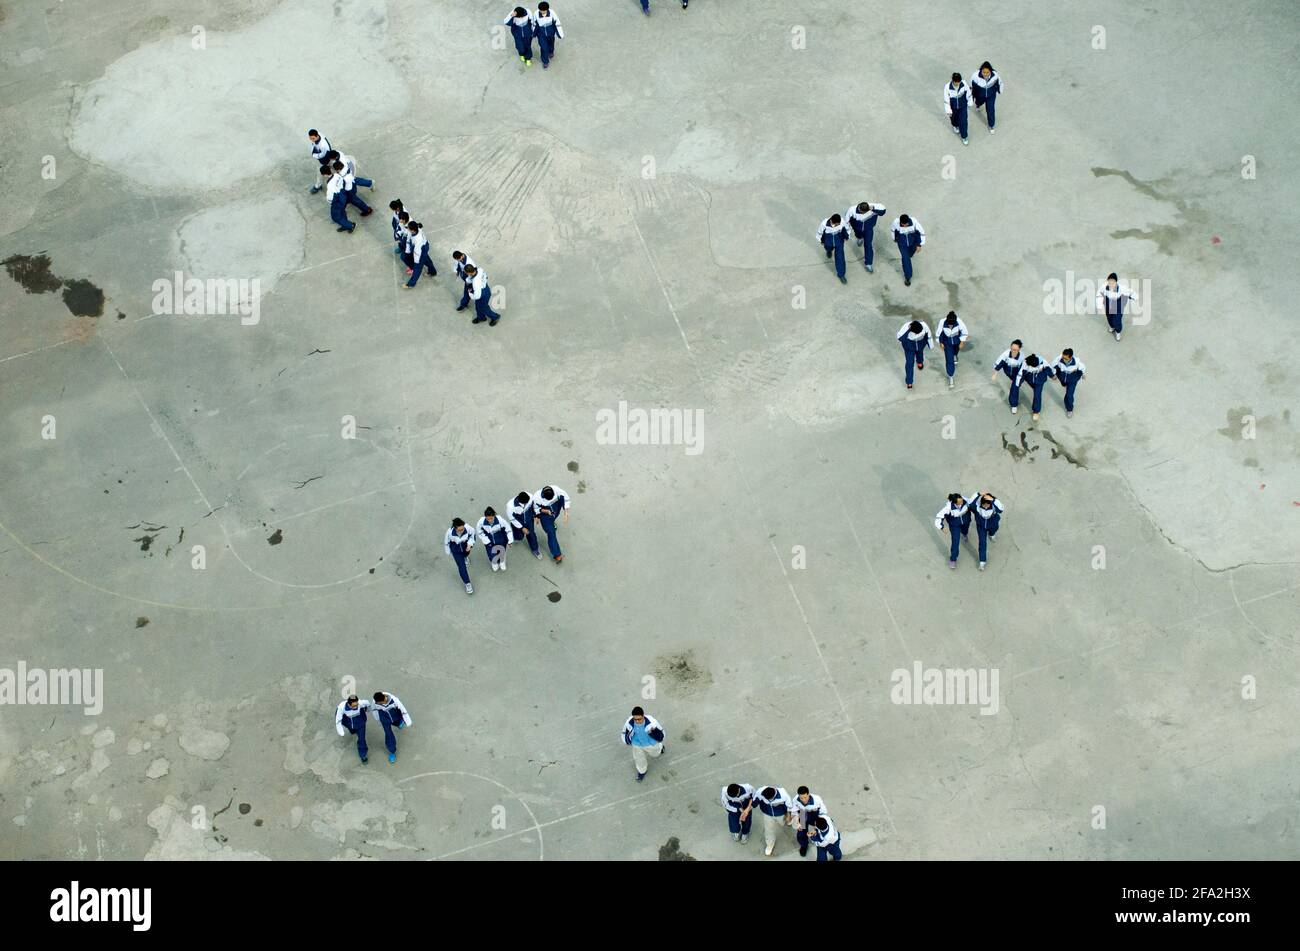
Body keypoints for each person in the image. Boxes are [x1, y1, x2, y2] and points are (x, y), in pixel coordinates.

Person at [620, 706, 665, 781]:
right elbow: (624, 732)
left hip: (650, 743)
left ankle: (660, 747)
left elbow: (661, 731)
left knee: (656, 754)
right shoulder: (629, 723)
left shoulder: (652, 723)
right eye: (635, 719)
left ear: (643, 716)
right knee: (639, 758)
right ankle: (642, 771)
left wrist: (659, 738)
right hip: (637, 744)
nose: (637, 721)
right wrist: (627, 741)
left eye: (639, 719)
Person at [965, 490, 1004, 570]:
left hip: (993, 524)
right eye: (984, 505)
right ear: (981, 503)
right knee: (982, 542)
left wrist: (993, 500)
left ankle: (991, 534)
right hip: (981, 527)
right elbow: (970, 503)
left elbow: (1001, 509)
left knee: (994, 530)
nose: (986, 506)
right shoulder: (977, 507)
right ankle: (982, 562)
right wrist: (978, 494)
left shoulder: (994, 506)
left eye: (987, 505)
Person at [752, 785, 794, 856]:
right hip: (767, 813)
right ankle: (770, 844)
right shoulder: (760, 792)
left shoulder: (783, 794)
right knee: (768, 829)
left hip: (780, 814)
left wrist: (788, 816)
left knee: (784, 822)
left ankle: (789, 821)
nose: (769, 801)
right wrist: (746, 812)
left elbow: (789, 806)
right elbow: (754, 803)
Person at [846, 200, 887, 272]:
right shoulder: (852, 209)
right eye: (860, 211)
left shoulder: (874, 207)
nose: (862, 213)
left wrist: (873, 208)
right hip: (857, 228)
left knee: (868, 245)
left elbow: (883, 210)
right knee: (858, 235)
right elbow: (847, 220)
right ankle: (859, 238)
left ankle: (868, 263)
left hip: (868, 229)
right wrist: (848, 231)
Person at [371, 691, 411, 764]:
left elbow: (403, 709)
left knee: (398, 722)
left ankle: (399, 722)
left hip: (395, 716)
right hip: (385, 719)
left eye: (379, 703)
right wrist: (378, 719)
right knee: (388, 734)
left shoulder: (394, 700)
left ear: (384, 700)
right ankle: (392, 751)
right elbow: (374, 710)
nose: (377, 704)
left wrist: (407, 721)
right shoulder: (375, 702)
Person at [934, 492, 972, 569]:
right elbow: (938, 517)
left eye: (961, 500)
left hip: (966, 521)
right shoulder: (948, 508)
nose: (962, 502)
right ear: (955, 503)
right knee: (955, 541)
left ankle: (964, 534)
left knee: (965, 530)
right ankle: (953, 559)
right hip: (955, 525)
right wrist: (941, 527)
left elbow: (973, 504)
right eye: (960, 502)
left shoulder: (965, 500)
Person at [533, 485, 570, 563]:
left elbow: (566, 499)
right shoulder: (536, 497)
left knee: (553, 520)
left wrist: (566, 512)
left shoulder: (557, 490)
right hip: (545, 516)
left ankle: (552, 523)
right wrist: (540, 515)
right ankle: (557, 555)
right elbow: (536, 509)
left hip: (556, 510)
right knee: (551, 534)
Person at [1097, 273, 1136, 342]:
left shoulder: (1121, 288)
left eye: (1112, 282)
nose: (1110, 284)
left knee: (1117, 320)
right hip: (1108, 303)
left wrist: (1135, 297)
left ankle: (1118, 332)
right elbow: (1099, 293)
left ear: (1116, 282)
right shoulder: (1104, 286)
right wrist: (1099, 305)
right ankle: (1112, 327)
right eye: (1109, 282)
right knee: (1109, 317)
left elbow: (1130, 292)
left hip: (1118, 305)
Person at [1015, 353, 1055, 420]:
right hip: (1030, 379)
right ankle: (1034, 388)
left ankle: (1036, 411)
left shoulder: (1043, 362)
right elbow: (1020, 374)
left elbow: (1049, 368)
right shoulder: (1025, 363)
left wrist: (1052, 376)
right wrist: (1018, 383)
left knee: (1037, 395)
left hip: (1040, 381)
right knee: (1035, 389)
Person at [991, 339, 1026, 414]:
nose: (1013, 351)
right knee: (1014, 384)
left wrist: (1019, 379)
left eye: (1015, 350)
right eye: (1012, 348)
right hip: (1008, 372)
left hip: (1017, 373)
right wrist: (995, 374)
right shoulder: (1006, 354)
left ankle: (1014, 405)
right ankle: (1015, 384)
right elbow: (1000, 363)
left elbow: (1023, 369)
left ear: (1019, 349)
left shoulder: (1022, 357)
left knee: (1014, 388)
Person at [896, 319, 934, 389]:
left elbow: (929, 336)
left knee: (920, 353)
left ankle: (920, 362)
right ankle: (909, 381)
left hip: (920, 343)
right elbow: (900, 338)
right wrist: (908, 331)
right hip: (909, 347)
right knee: (909, 363)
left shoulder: (924, 325)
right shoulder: (904, 328)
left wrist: (931, 345)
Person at [791, 786, 827, 858]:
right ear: (798, 795)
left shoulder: (817, 799)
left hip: (815, 815)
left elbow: (823, 812)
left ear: (808, 794)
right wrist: (797, 822)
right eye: (801, 798)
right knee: (801, 833)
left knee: (819, 831)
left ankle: (821, 842)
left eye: (805, 797)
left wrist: (816, 826)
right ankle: (804, 846)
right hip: (802, 814)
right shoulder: (795, 799)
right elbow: (794, 811)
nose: (803, 800)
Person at [890, 214, 925, 286]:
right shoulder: (896, 223)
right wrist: (894, 238)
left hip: (913, 243)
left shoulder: (914, 223)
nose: (906, 225)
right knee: (906, 259)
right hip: (902, 245)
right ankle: (908, 277)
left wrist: (919, 245)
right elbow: (893, 230)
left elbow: (922, 233)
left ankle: (908, 256)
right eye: (904, 224)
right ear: (900, 222)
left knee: (909, 255)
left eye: (907, 224)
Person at [334, 695, 371, 764]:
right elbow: (338, 720)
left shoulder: (361, 703)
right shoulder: (341, 708)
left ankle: (363, 754)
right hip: (349, 724)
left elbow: (368, 704)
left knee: (361, 739)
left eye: (357, 705)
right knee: (353, 731)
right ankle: (354, 731)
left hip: (361, 724)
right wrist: (341, 732)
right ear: (348, 704)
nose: (356, 707)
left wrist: (368, 709)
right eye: (354, 706)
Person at [816, 213, 850, 284]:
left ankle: (841, 274)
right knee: (828, 248)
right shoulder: (824, 224)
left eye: (839, 224)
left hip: (839, 241)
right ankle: (829, 251)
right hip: (828, 241)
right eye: (837, 224)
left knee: (840, 257)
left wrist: (847, 236)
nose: (838, 225)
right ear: (831, 221)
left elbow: (846, 229)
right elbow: (819, 233)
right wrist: (821, 241)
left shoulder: (842, 222)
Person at [444, 517, 475, 594]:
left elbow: (473, 535)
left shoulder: (468, 528)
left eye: (462, 529)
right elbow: (446, 542)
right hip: (456, 551)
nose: (461, 531)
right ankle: (467, 583)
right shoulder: (450, 533)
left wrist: (470, 544)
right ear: (455, 528)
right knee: (462, 567)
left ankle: (465, 557)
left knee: (466, 554)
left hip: (465, 547)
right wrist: (449, 551)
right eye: (459, 530)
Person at [937, 311, 969, 388]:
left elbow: (964, 332)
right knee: (949, 360)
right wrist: (941, 342)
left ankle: (955, 355)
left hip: (956, 341)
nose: (950, 326)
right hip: (947, 343)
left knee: (955, 352)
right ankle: (951, 376)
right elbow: (939, 334)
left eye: (952, 325)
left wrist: (962, 342)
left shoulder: (959, 321)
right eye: (949, 324)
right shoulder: (942, 322)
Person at [476, 506, 512, 572]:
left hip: (501, 540)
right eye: (488, 519)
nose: (489, 520)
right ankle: (494, 563)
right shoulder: (481, 522)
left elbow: (508, 529)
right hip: (489, 542)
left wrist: (510, 541)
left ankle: (502, 562)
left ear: (494, 515)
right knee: (491, 554)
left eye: (491, 518)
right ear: (485, 517)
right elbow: (480, 532)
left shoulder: (500, 520)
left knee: (502, 552)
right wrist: (487, 541)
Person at [970, 61, 1003, 133]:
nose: (985, 74)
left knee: (990, 109)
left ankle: (991, 125)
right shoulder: (975, 76)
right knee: (978, 101)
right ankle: (978, 105)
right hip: (980, 94)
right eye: (984, 72)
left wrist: (1000, 90)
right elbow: (972, 86)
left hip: (991, 95)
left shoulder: (995, 75)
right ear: (981, 70)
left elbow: (1000, 82)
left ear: (990, 71)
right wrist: (972, 96)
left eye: (987, 72)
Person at [1052, 348, 1086, 417]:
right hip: (1062, 378)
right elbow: (1052, 365)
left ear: (1071, 357)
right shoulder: (1059, 359)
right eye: (1063, 357)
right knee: (1065, 386)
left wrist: (1083, 374)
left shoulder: (1077, 362)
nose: (1064, 360)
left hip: (1072, 380)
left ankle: (1069, 409)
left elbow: (1082, 368)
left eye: (1066, 359)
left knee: (1069, 395)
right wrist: (1054, 374)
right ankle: (1066, 386)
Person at [321, 165, 354, 233]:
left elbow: (330, 198)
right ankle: (345, 224)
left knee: (335, 217)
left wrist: (331, 203)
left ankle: (350, 225)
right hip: (343, 195)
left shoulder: (330, 185)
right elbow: (343, 182)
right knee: (342, 211)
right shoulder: (337, 175)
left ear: (323, 174)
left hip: (337, 201)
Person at [943, 71, 973, 145]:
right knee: (954, 119)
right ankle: (955, 125)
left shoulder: (964, 84)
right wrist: (948, 110)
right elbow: (946, 100)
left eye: (959, 82)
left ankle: (964, 136)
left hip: (963, 106)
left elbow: (968, 93)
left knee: (963, 121)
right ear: (952, 80)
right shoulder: (947, 87)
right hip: (953, 107)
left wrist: (970, 101)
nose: (957, 84)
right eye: (956, 82)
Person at [404, 221, 437, 288]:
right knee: (427, 260)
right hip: (424, 246)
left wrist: (416, 262)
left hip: (421, 250)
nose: (408, 230)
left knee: (417, 267)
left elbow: (417, 252)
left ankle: (411, 284)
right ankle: (433, 272)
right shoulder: (417, 228)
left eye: (409, 229)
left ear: (413, 230)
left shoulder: (418, 240)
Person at [532, 3, 563, 68]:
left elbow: (557, 22)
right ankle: (545, 61)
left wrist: (560, 34)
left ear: (547, 9)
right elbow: (534, 24)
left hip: (550, 33)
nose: (542, 12)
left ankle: (551, 52)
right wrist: (533, 33)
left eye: (544, 11)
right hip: (541, 34)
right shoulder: (536, 14)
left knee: (551, 44)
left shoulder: (552, 13)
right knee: (544, 48)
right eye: (541, 10)